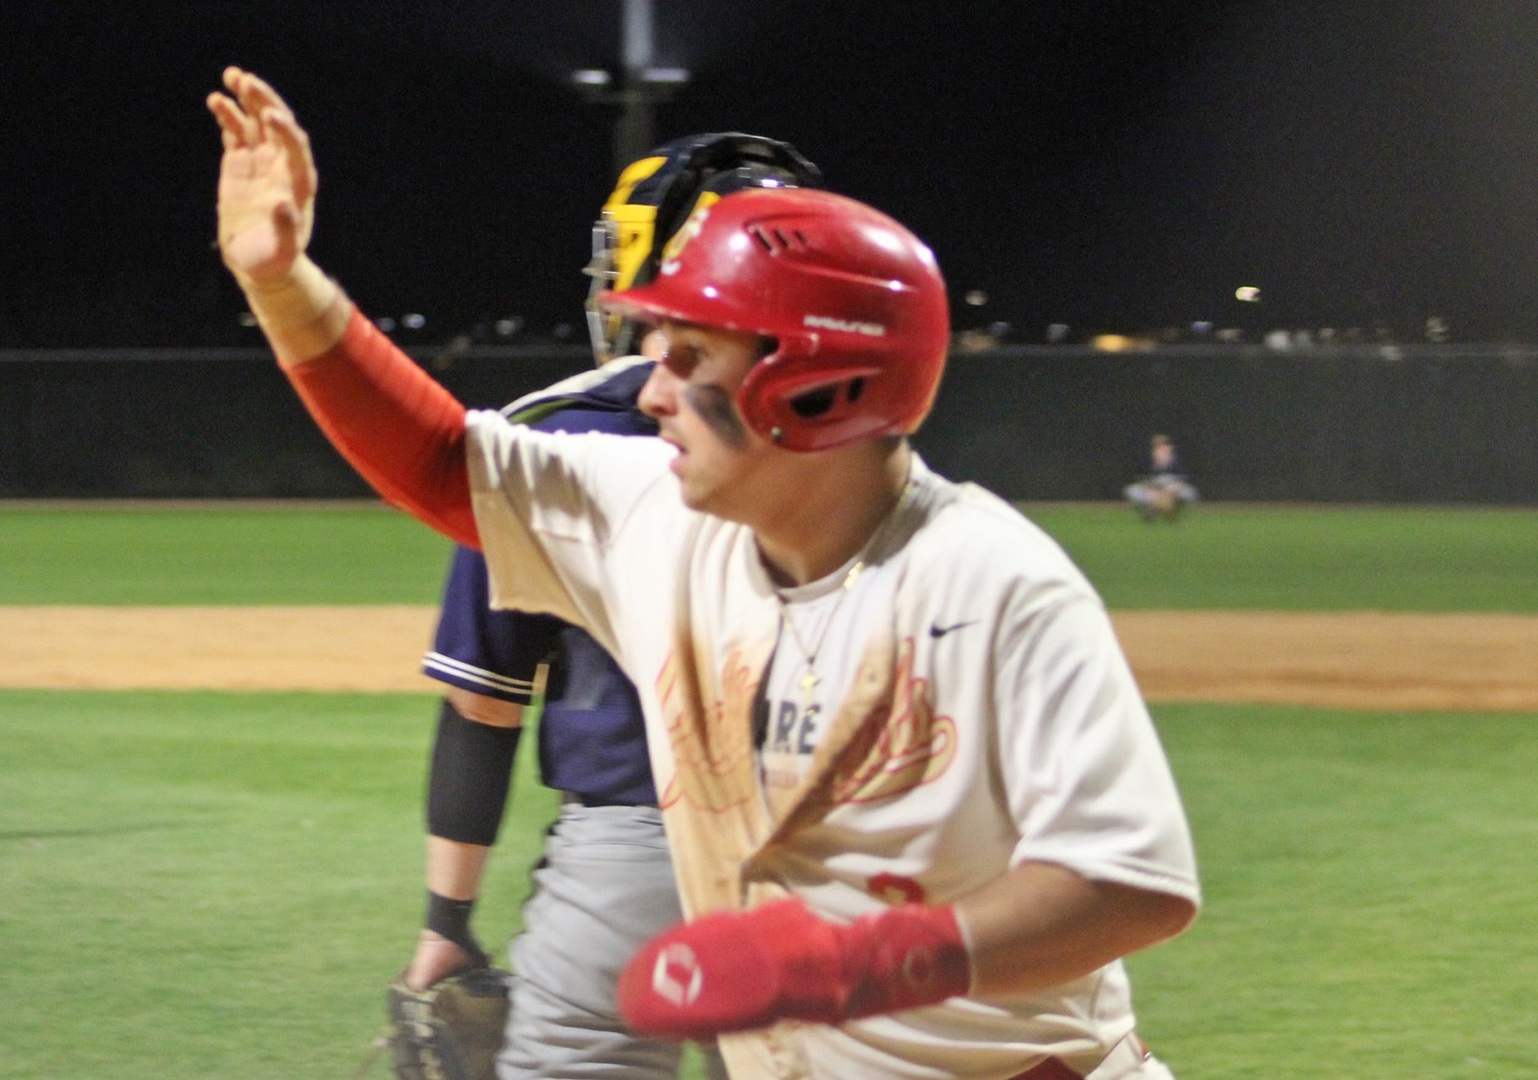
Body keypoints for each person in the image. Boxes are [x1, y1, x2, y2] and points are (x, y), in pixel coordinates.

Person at [209, 69, 1199, 1080]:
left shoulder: (991, 584)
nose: (651, 393)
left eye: (689, 354)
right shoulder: (658, 519)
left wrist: (847, 966)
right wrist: (280, 282)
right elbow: (436, 460)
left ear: (817, 387)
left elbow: (1130, 884)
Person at [403, 126, 823, 1080]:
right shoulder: (864, 444)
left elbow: (483, 701)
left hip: (630, 851)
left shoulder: (555, 437)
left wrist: (447, 925)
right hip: (827, 857)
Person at [1123, 434, 1198, 523]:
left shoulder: (1177, 462)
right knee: (1132, 491)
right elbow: (1143, 481)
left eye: (1164, 447)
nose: (1161, 450)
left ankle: (1171, 511)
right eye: (1158, 447)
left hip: (1172, 492)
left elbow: (1182, 480)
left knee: (1190, 494)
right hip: (1153, 492)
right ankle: (1154, 511)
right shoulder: (1147, 461)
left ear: (1170, 448)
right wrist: (1155, 493)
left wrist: (1171, 491)